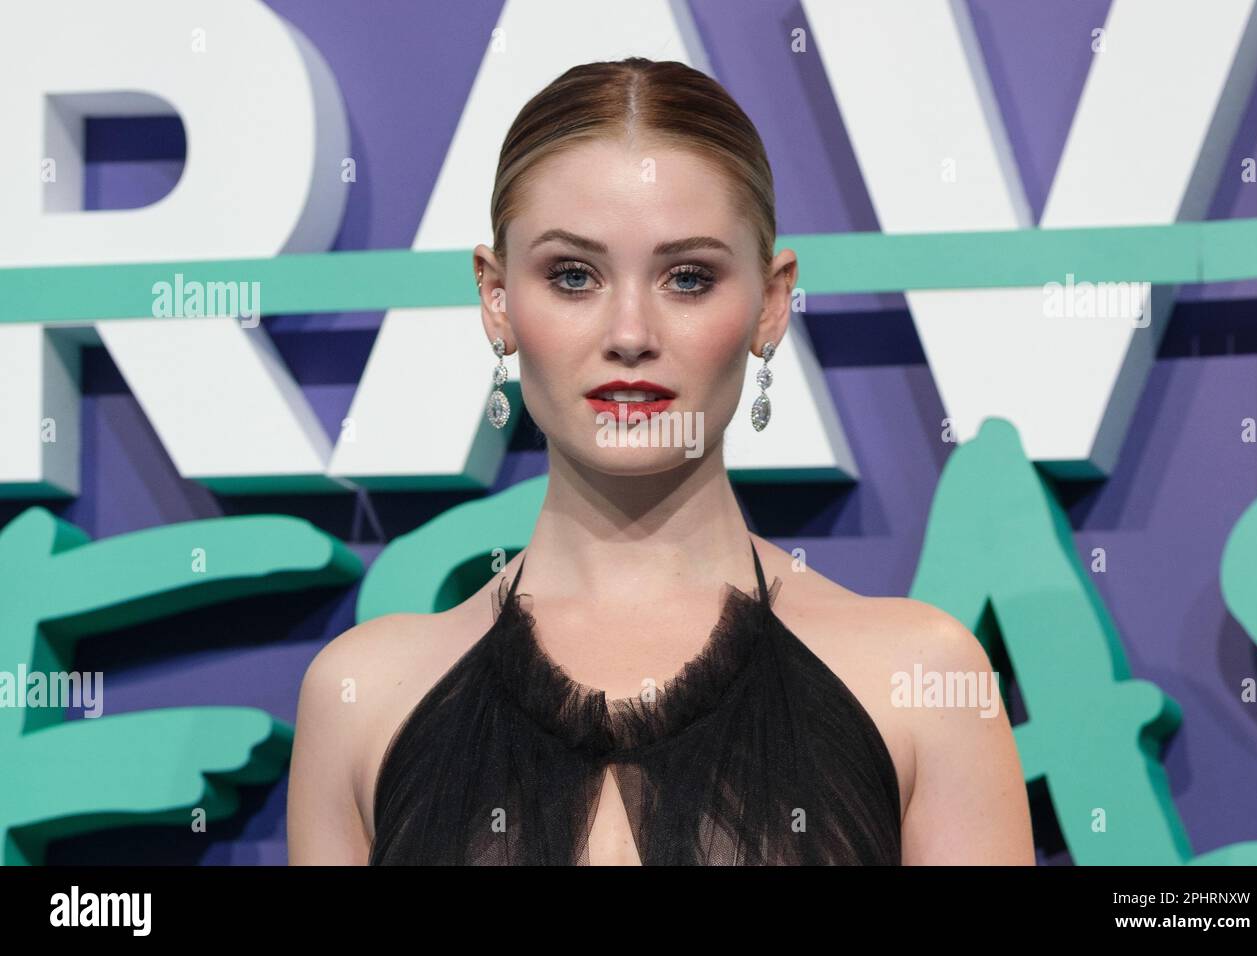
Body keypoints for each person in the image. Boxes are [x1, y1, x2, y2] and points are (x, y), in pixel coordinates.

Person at [287, 56, 1034, 865]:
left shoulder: (921, 682)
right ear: (496, 300)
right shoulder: (360, 700)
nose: (631, 332)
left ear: (772, 301)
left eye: (688, 277)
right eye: (573, 275)